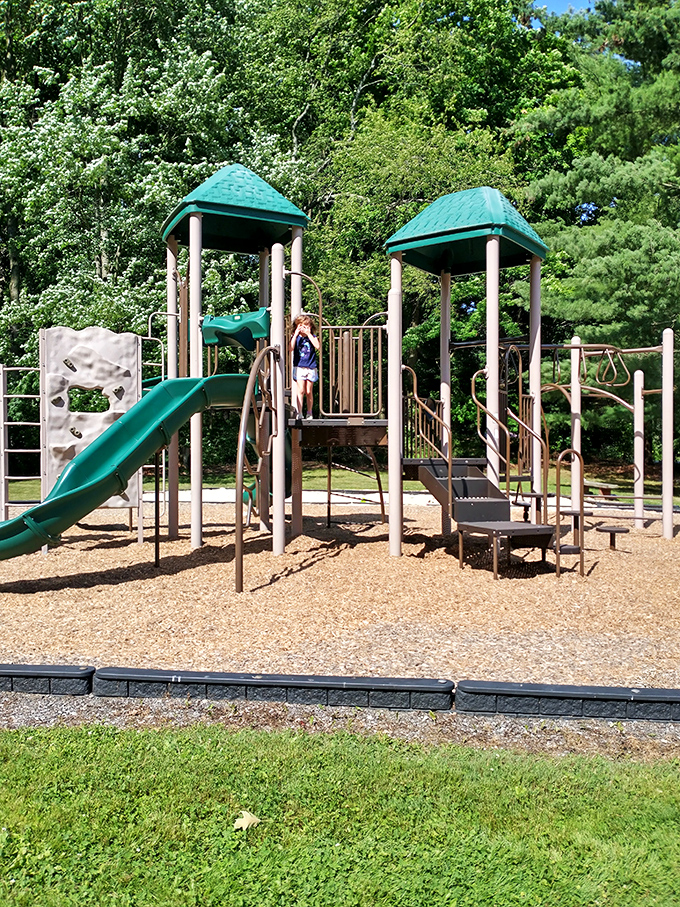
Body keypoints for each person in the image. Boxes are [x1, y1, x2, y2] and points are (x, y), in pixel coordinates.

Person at [290, 313, 319, 420]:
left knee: (308, 391)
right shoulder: (296, 338)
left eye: (306, 326)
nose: (304, 328)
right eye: (301, 326)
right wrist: (296, 334)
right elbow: (290, 348)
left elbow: (318, 346)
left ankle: (309, 412)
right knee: (301, 390)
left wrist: (309, 334)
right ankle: (299, 412)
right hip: (299, 366)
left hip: (311, 367)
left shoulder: (312, 337)